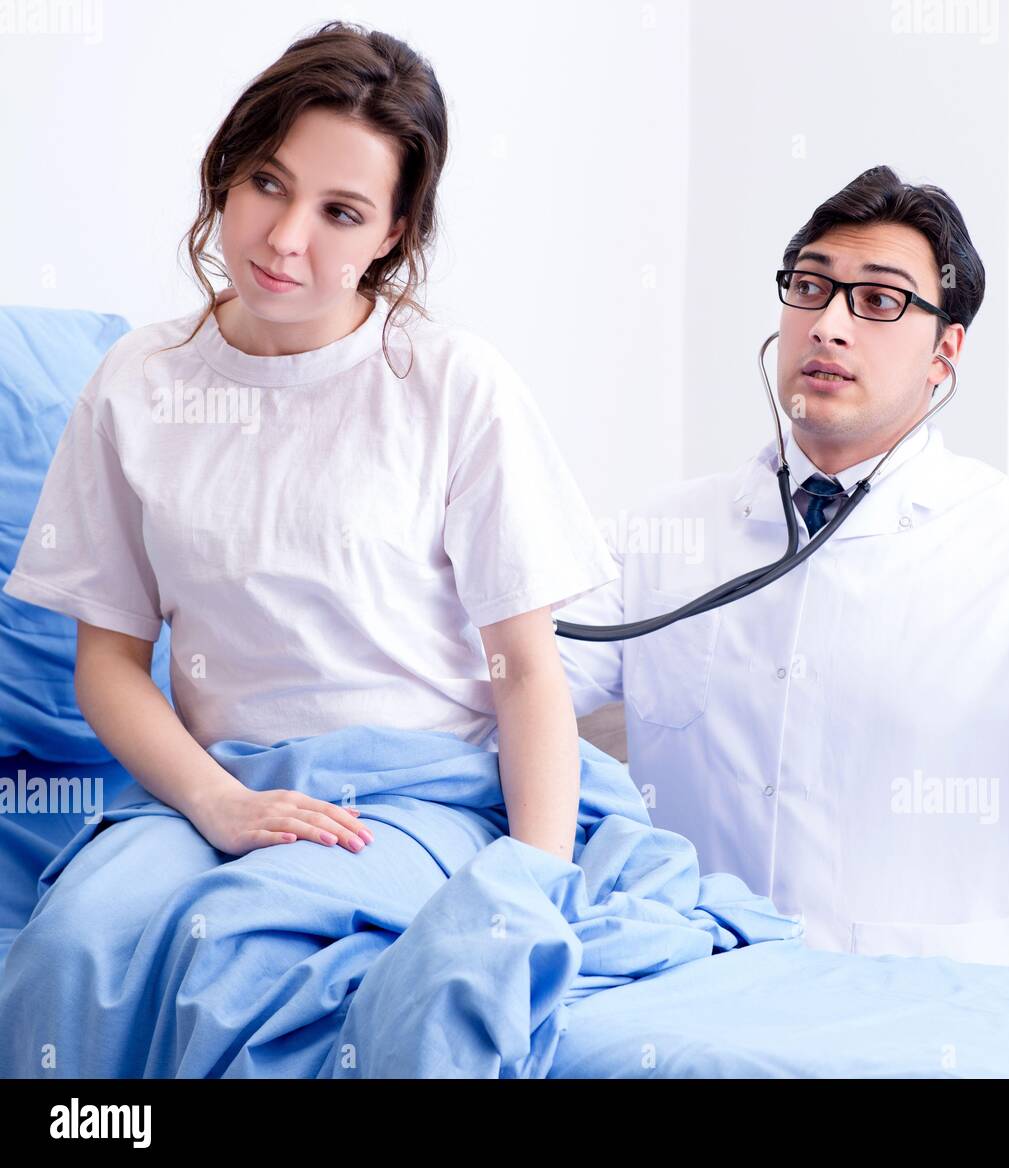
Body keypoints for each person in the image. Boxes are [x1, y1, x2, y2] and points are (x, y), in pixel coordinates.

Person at [557, 164, 1009, 972]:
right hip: (716, 1020)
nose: (830, 324)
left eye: (878, 300)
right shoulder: (665, 534)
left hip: (962, 1032)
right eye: (810, 287)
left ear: (944, 353)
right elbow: (509, 691)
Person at [2, 21, 616, 865]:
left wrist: (532, 884)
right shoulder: (137, 380)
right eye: (267, 183)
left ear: (393, 233)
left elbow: (527, 667)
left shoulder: (453, 384)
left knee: (264, 957)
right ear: (228, 171)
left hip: (426, 791)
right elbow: (108, 660)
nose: (286, 239)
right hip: (218, 791)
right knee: (77, 950)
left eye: (340, 212)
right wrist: (220, 804)